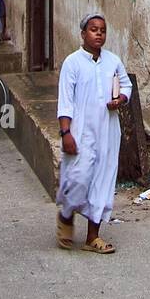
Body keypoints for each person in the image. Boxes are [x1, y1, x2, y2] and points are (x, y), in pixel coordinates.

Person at [56, 14, 132, 255]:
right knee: (78, 179)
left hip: (108, 133)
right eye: (93, 29)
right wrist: (66, 132)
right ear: (83, 34)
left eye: (102, 30)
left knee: (102, 183)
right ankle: (66, 215)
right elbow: (65, 101)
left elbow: (126, 85)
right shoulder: (73, 63)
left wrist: (119, 99)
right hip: (81, 133)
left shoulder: (113, 61)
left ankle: (92, 237)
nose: (98, 34)